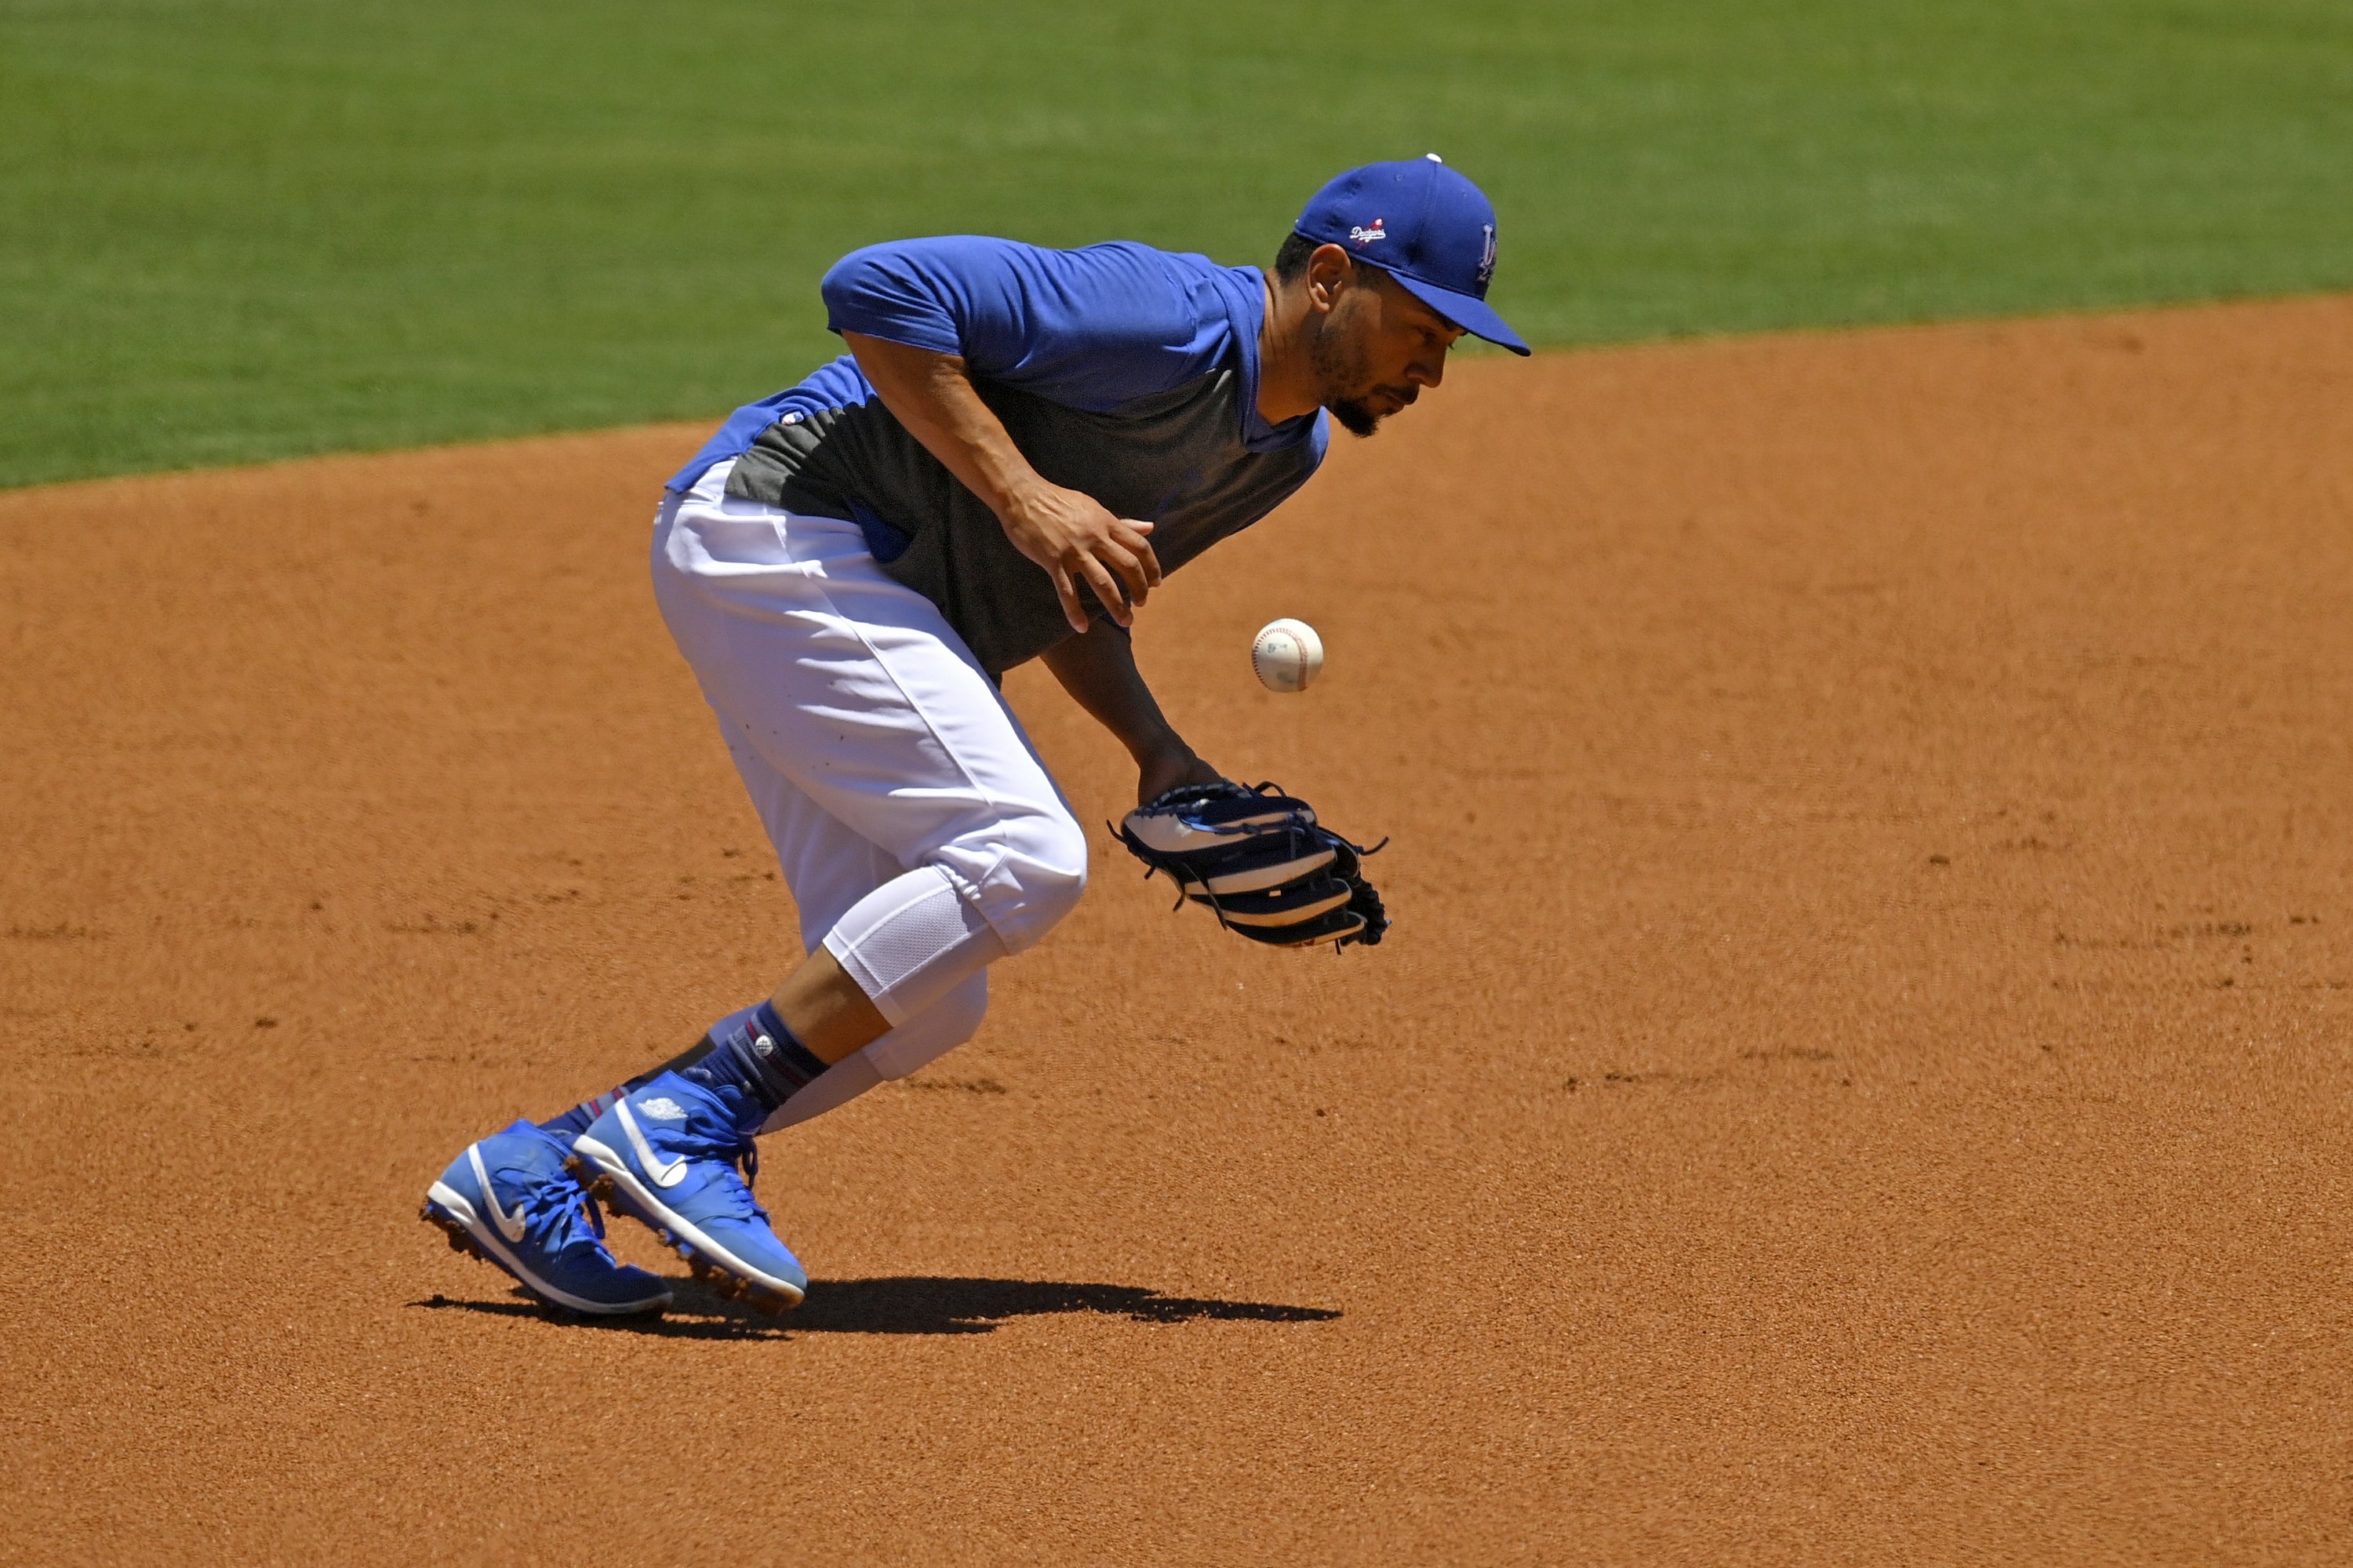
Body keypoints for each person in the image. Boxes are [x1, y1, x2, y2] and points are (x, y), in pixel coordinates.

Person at [420, 155, 1528, 1315]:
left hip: (845, 577)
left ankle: (542, 1164)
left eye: (1451, 345)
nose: (1435, 370)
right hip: (783, 528)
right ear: (1334, 278)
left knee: (931, 997)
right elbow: (873, 289)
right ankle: (680, 1123)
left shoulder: (1280, 452)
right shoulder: (1166, 320)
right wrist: (1021, 491)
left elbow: (1068, 581)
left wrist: (1159, 752)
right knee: (1026, 857)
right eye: (1425, 328)